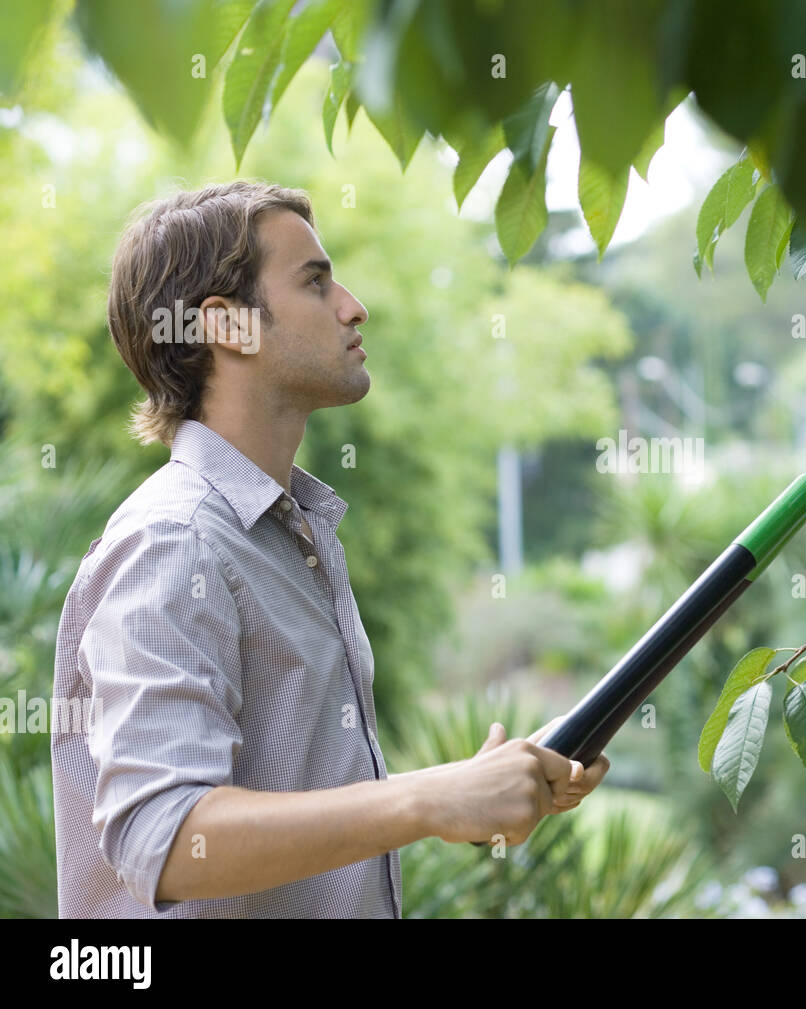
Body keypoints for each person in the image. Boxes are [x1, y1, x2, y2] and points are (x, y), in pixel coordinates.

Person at [51, 180, 609, 918]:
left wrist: (474, 789)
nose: (353, 306)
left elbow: (298, 804)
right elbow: (167, 837)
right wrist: (427, 798)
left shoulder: (292, 531)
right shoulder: (173, 543)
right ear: (229, 327)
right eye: (316, 282)